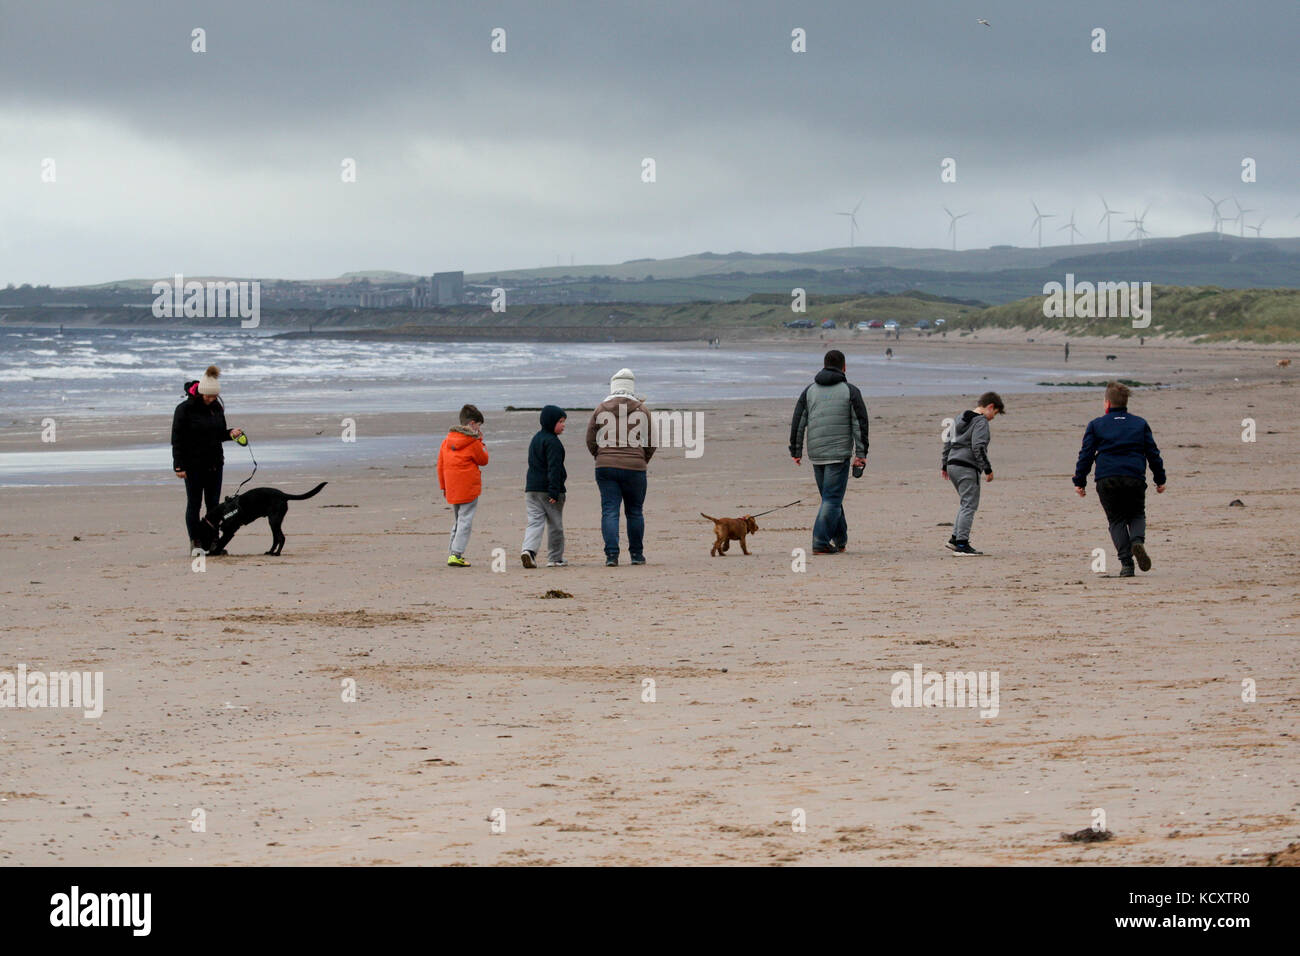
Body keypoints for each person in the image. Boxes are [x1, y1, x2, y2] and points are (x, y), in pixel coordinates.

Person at [1073, 382, 1167, 577]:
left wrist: (1079, 481)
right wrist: (1160, 479)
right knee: (1136, 514)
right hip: (1134, 477)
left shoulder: (1096, 424)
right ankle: (1137, 541)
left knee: (1116, 519)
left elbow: (1086, 455)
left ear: (1107, 403)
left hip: (1106, 478)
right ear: (1126, 402)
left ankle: (1126, 564)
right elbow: (1153, 453)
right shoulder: (1139, 423)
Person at [788, 349, 869, 554]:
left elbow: (798, 422)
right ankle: (820, 542)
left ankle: (840, 540)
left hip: (816, 453)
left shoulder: (809, 391)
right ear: (844, 367)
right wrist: (861, 453)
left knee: (830, 497)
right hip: (838, 454)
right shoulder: (850, 391)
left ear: (824, 365)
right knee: (832, 499)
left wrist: (796, 450)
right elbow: (860, 424)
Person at [586, 368, 655, 566]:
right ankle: (636, 554)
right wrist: (642, 458)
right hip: (635, 466)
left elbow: (590, 438)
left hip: (605, 466)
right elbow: (652, 441)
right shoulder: (642, 410)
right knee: (634, 511)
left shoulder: (601, 408)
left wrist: (599, 455)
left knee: (610, 511)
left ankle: (611, 555)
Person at [171, 365, 243, 553]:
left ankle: (213, 541)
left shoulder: (217, 408)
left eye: (214, 396)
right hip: (192, 465)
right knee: (194, 505)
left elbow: (219, 434)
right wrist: (178, 466)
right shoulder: (184, 409)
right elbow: (177, 439)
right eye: (208, 396)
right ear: (201, 393)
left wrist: (231, 433)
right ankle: (195, 542)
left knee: (214, 506)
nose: (211, 399)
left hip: (215, 464)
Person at [940, 392, 1005, 555]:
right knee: (970, 504)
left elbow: (948, 440)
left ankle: (955, 539)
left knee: (965, 503)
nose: (993, 417)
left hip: (952, 465)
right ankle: (962, 544)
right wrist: (987, 469)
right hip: (967, 466)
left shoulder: (959, 417)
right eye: (995, 413)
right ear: (990, 407)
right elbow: (978, 446)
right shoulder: (981, 421)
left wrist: (944, 464)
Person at [437, 404, 488, 568]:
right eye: (478, 426)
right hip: (468, 486)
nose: (479, 429)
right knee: (465, 520)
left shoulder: (446, 441)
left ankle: (453, 551)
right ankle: (456, 553)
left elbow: (440, 465)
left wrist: (443, 486)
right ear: (473, 424)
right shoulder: (472, 442)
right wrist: (480, 440)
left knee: (459, 520)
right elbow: (484, 460)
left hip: (452, 486)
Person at [521, 405, 567, 568]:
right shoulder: (553, 442)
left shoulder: (536, 438)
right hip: (548, 490)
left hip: (531, 489)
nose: (563, 425)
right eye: (560, 421)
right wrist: (555, 491)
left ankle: (529, 551)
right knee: (555, 524)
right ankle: (555, 558)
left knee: (535, 522)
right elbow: (554, 468)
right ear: (550, 422)